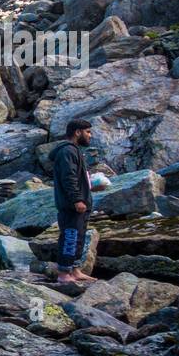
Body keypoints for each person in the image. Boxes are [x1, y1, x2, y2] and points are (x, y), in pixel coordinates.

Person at [53, 118, 98, 284]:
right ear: (77, 132)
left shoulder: (74, 150)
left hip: (80, 204)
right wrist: (78, 200)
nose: (90, 135)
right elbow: (69, 178)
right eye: (87, 132)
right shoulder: (67, 152)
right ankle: (64, 274)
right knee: (70, 237)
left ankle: (75, 270)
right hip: (72, 205)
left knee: (79, 236)